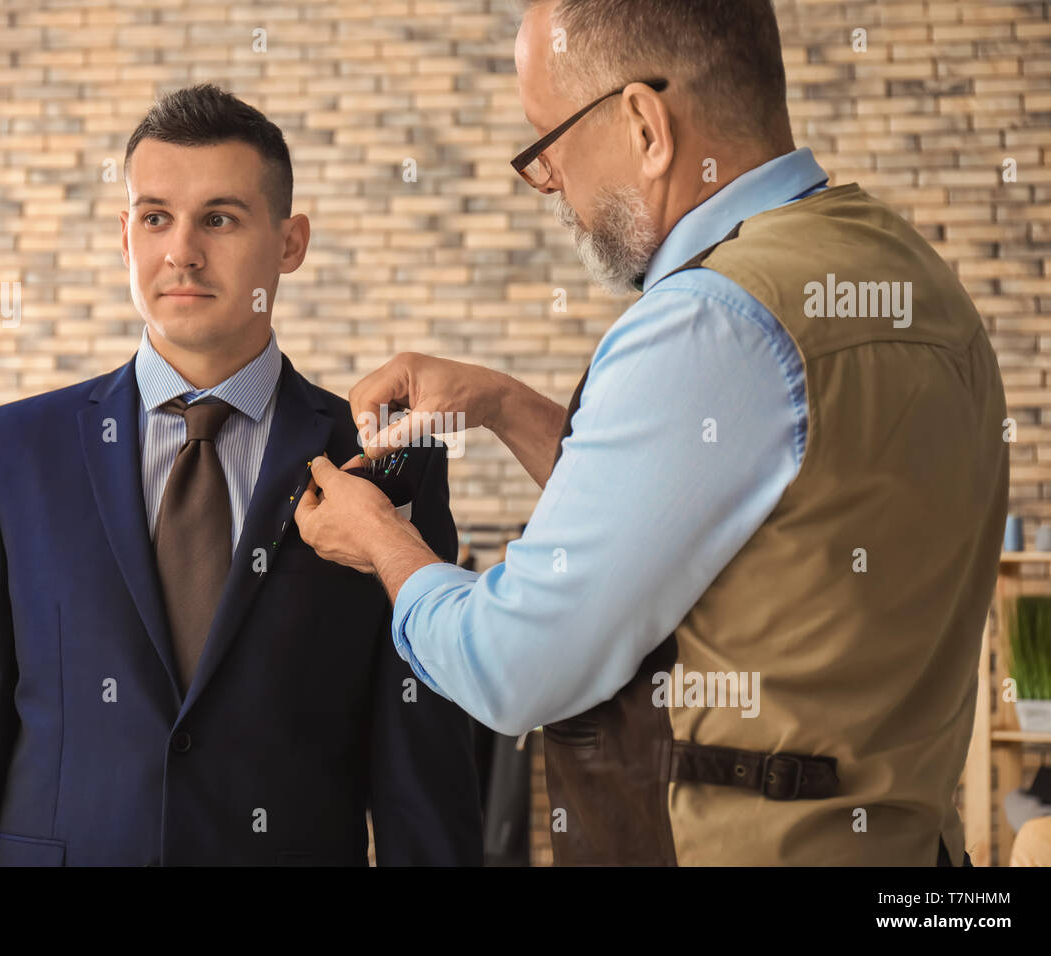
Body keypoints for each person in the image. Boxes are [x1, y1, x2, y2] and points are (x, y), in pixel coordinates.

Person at [297, 0, 1007, 865]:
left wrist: (382, 542)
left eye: (545, 141)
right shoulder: (910, 275)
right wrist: (504, 405)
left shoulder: (708, 323)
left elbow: (513, 666)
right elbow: (712, 518)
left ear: (644, 124)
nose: (549, 179)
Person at [0, 85, 482, 866]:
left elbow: (422, 776)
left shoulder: (383, 458)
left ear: (290, 243)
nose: (182, 252)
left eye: (221, 218)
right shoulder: (15, 452)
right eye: (155, 217)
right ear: (124, 236)